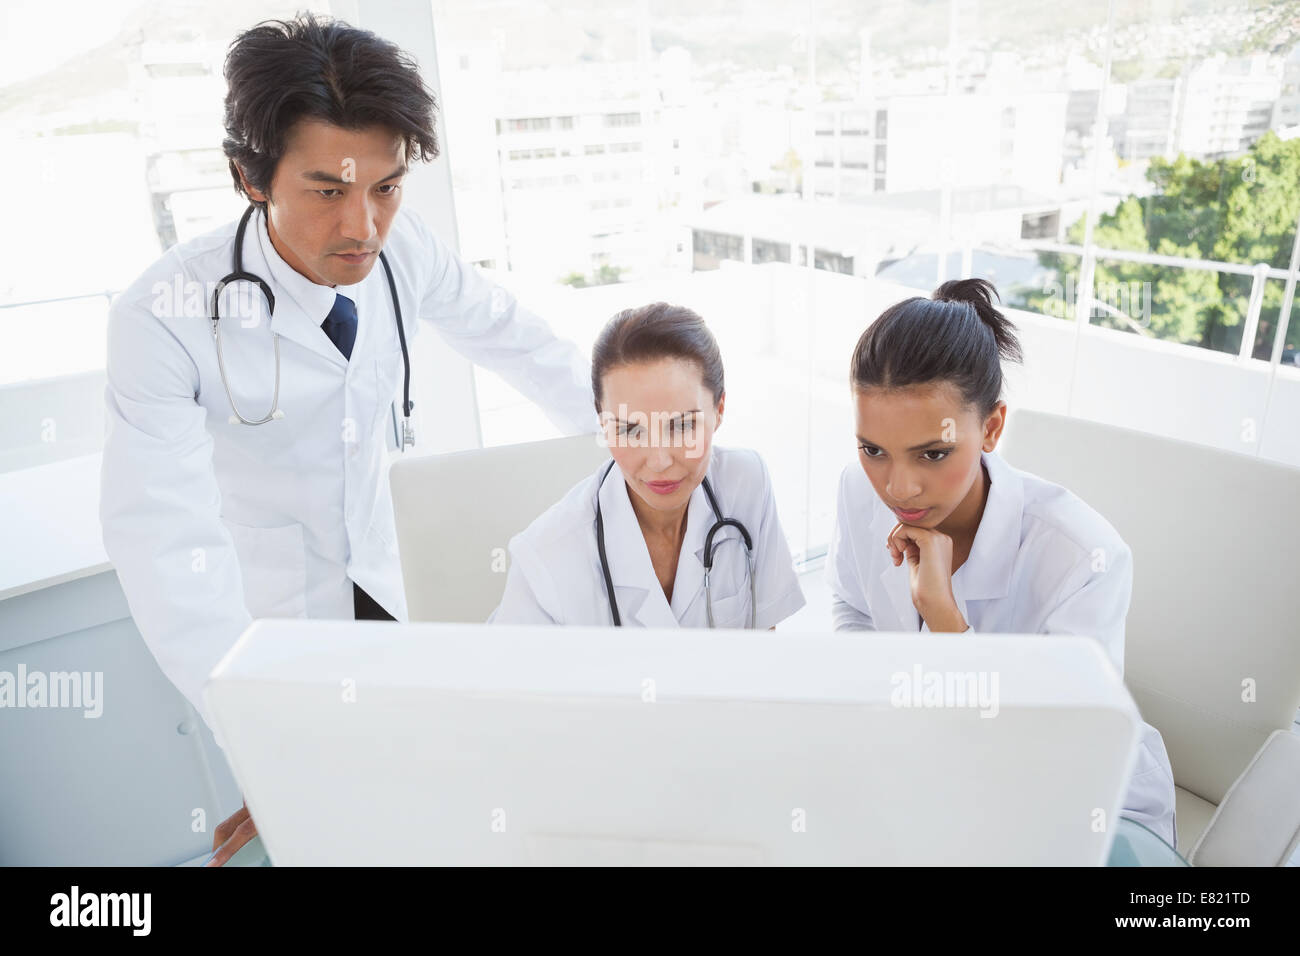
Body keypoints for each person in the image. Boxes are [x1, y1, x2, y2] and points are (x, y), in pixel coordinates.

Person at [98, 14, 595, 865]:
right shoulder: (163, 317)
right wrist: (260, 734)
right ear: (249, 177)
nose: (365, 226)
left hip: (398, 598)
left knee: (443, 818)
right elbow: (167, 546)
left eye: (388, 188)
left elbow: (516, 339)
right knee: (328, 836)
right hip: (270, 634)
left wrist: (639, 434)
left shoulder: (402, 254)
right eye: (329, 190)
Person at [825, 278, 1178, 846]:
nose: (899, 487)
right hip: (934, 773)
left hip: (1084, 805)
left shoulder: (1083, 558)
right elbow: (851, 606)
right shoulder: (857, 489)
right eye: (873, 450)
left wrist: (944, 619)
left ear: (991, 428)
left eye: (933, 454)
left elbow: (1050, 750)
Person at [490, 303, 806, 629]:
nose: (659, 461)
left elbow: (764, 640)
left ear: (719, 409)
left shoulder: (746, 482)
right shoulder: (545, 557)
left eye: (682, 426)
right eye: (630, 430)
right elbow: (512, 677)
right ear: (602, 421)